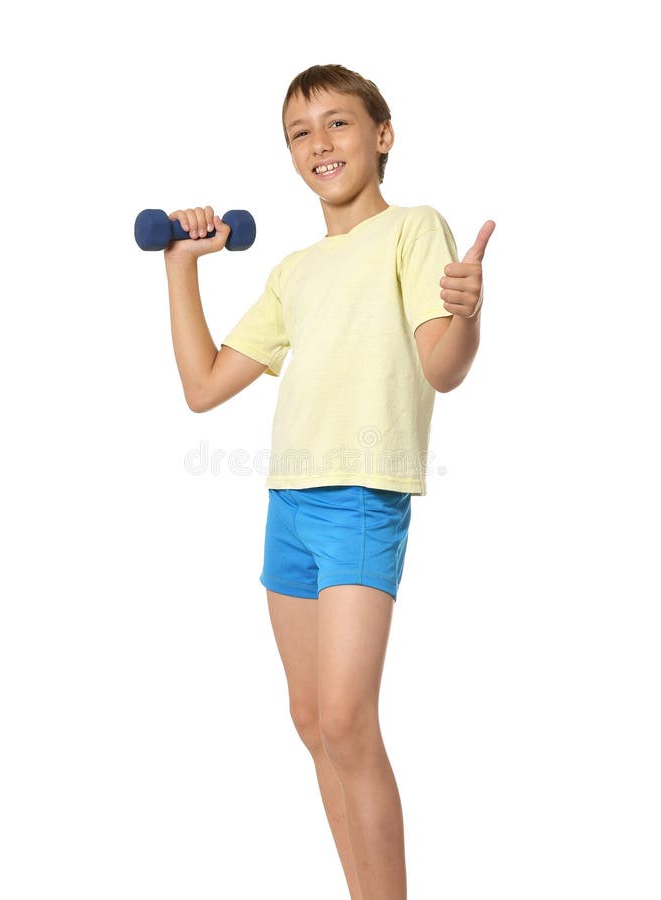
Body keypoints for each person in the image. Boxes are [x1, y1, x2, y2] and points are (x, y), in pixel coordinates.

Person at [163, 63, 494, 900]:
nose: (320, 143)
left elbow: (441, 369)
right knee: (312, 722)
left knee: (348, 720)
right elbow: (202, 386)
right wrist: (180, 265)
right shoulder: (293, 271)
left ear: (381, 136)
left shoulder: (414, 229)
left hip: (360, 498)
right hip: (288, 504)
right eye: (300, 133)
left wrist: (465, 313)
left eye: (338, 124)